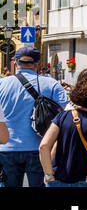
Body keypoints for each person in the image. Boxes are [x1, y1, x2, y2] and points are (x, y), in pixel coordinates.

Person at [0, 44, 70, 186]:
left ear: (15, 62)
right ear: (38, 64)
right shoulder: (52, 84)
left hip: (7, 148)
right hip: (39, 147)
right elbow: (67, 112)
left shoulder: (2, 84)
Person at [39, 69, 87, 187]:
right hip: (85, 179)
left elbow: (44, 146)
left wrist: (48, 174)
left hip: (58, 178)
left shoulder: (63, 116)